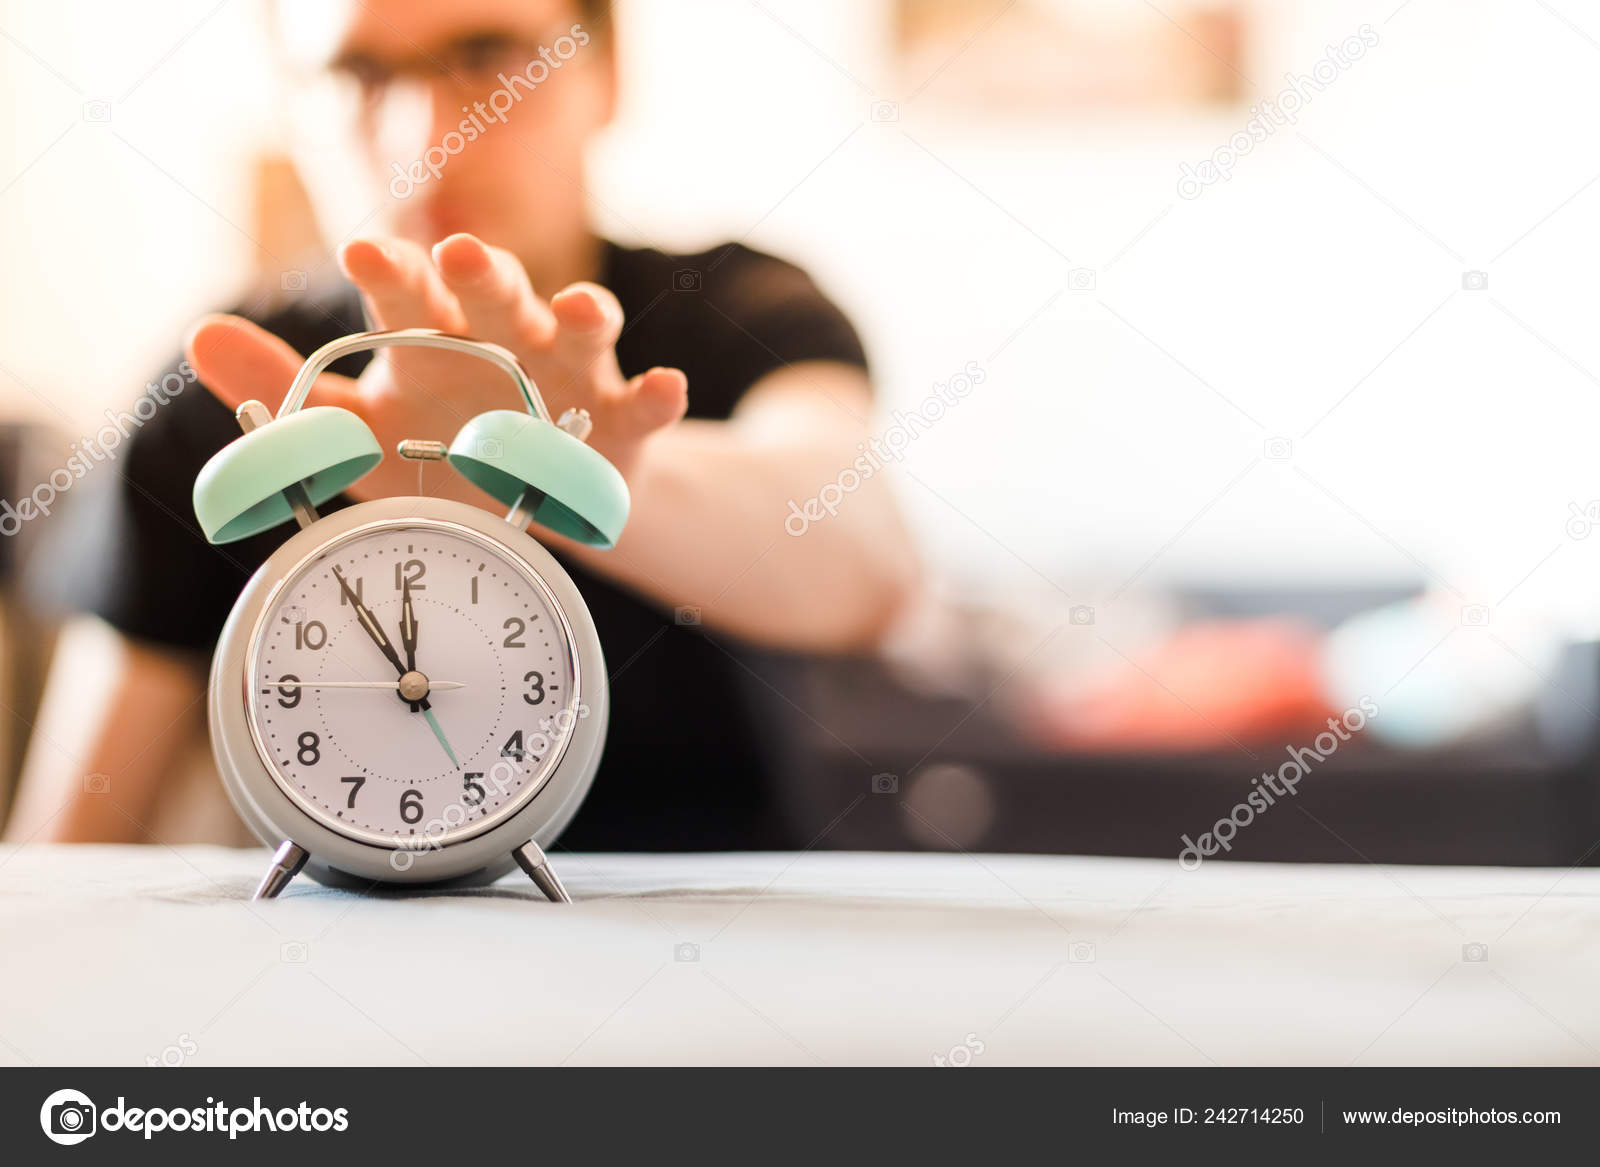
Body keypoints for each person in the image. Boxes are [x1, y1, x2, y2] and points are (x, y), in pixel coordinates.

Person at [4, 0, 916, 851]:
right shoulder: (241, 389)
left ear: (606, 74)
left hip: (716, 961)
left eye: (486, 58)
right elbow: (73, 846)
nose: (424, 136)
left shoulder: (738, 309)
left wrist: (584, 476)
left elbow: (866, 560)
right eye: (357, 74)